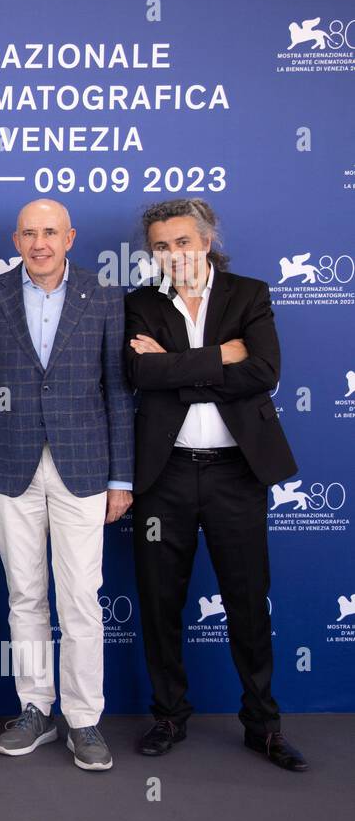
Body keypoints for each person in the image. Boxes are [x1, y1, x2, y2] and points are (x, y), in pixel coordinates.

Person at [125, 198, 307, 771]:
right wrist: (218, 359)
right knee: (160, 602)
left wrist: (177, 364)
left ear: (205, 240)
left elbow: (263, 371)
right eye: (160, 245)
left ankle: (263, 725)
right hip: (165, 474)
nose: (172, 254)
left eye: (181, 242)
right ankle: (168, 715)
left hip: (236, 473)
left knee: (248, 602)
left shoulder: (248, 294)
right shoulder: (137, 304)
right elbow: (140, 374)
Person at [0, 198, 133, 772]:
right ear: (16, 240)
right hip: (8, 466)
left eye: (51, 233)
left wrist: (121, 476)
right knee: (25, 596)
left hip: (84, 467)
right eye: (30, 233)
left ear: (71, 238)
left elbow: (117, 391)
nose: (40, 243)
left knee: (82, 598)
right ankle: (35, 708)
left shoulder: (105, 297)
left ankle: (84, 719)